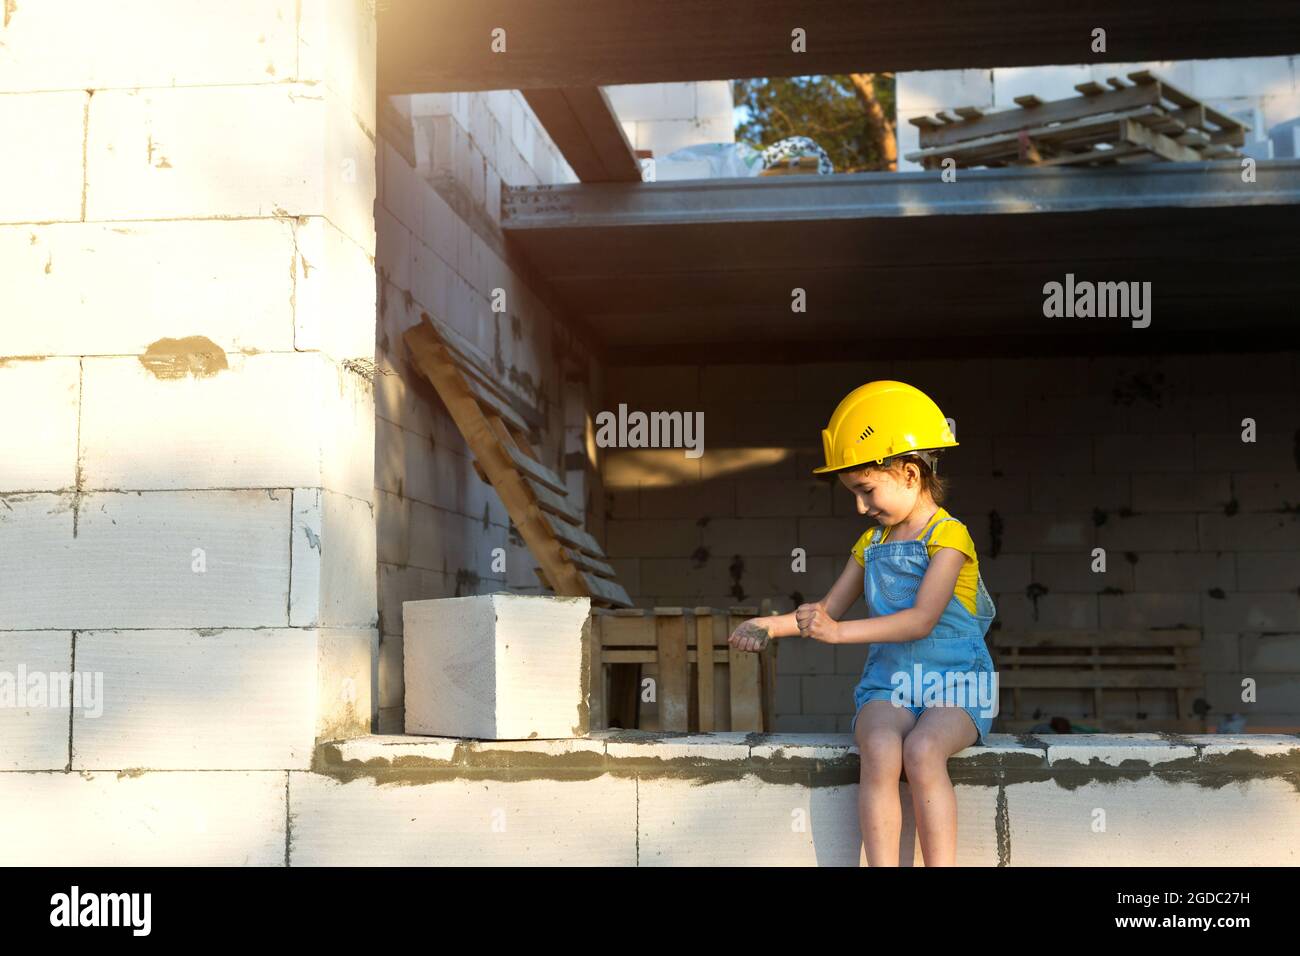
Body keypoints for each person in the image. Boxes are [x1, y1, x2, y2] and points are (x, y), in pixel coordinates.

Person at [727, 380, 998, 866]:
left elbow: (920, 621)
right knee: (877, 742)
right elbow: (825, 613)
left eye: (866, 490)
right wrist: (771, 625)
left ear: (910, 473)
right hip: (890, 684)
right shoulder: (870, 543)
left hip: (957, 685)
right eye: (854, 492)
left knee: (923, 750)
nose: (860, 505)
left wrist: (839, 634)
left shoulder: (951, 538)